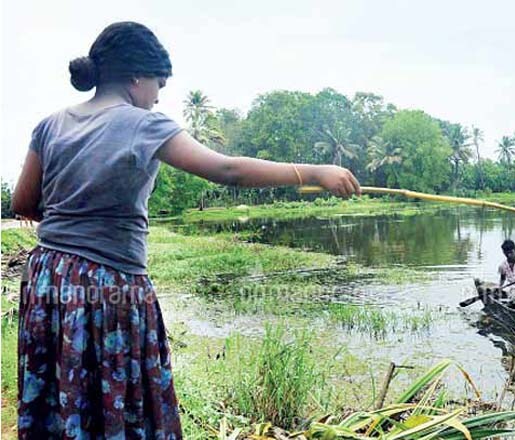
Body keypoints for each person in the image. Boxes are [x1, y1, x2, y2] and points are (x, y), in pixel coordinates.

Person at [11, 21, 360, 439]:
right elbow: (227, 170)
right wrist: (315, 172)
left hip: (48, 280)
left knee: (63, 393)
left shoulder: (50, 125)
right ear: (137, 76)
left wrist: (74, 219)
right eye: (159, 84)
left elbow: (22, 203)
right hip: (109, 283)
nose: (158, 96)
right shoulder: (145, 125)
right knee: (118, 401)